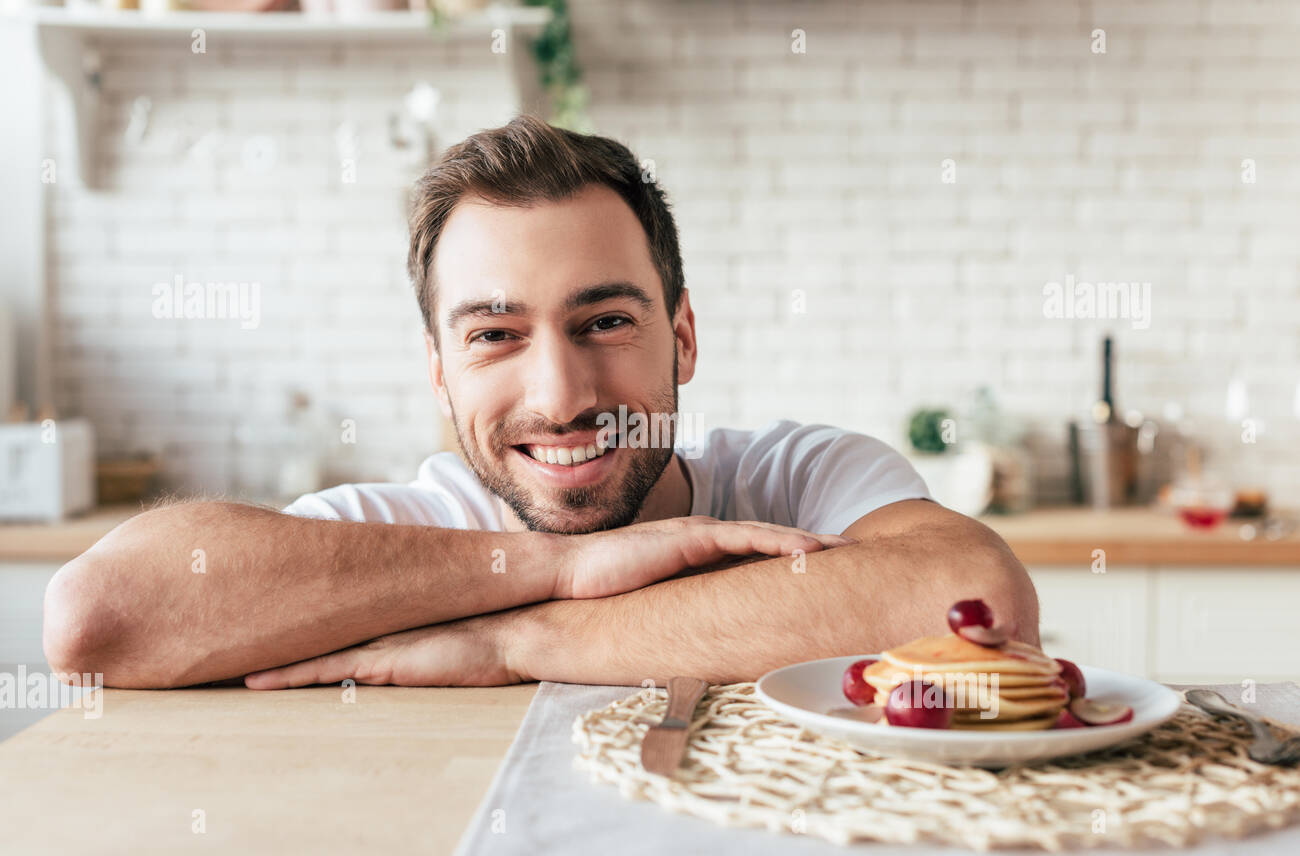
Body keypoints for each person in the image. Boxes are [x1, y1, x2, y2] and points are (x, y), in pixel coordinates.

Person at [43, 114, 1038, 691]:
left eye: (604, 322)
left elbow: (973, 599)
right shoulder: (397, 535)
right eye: (494, 335)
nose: (560, 396)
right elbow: (98, 620)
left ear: (681, 336)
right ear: (439, 369)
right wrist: (560, 565)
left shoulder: (802, 480)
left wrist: (522, 636)